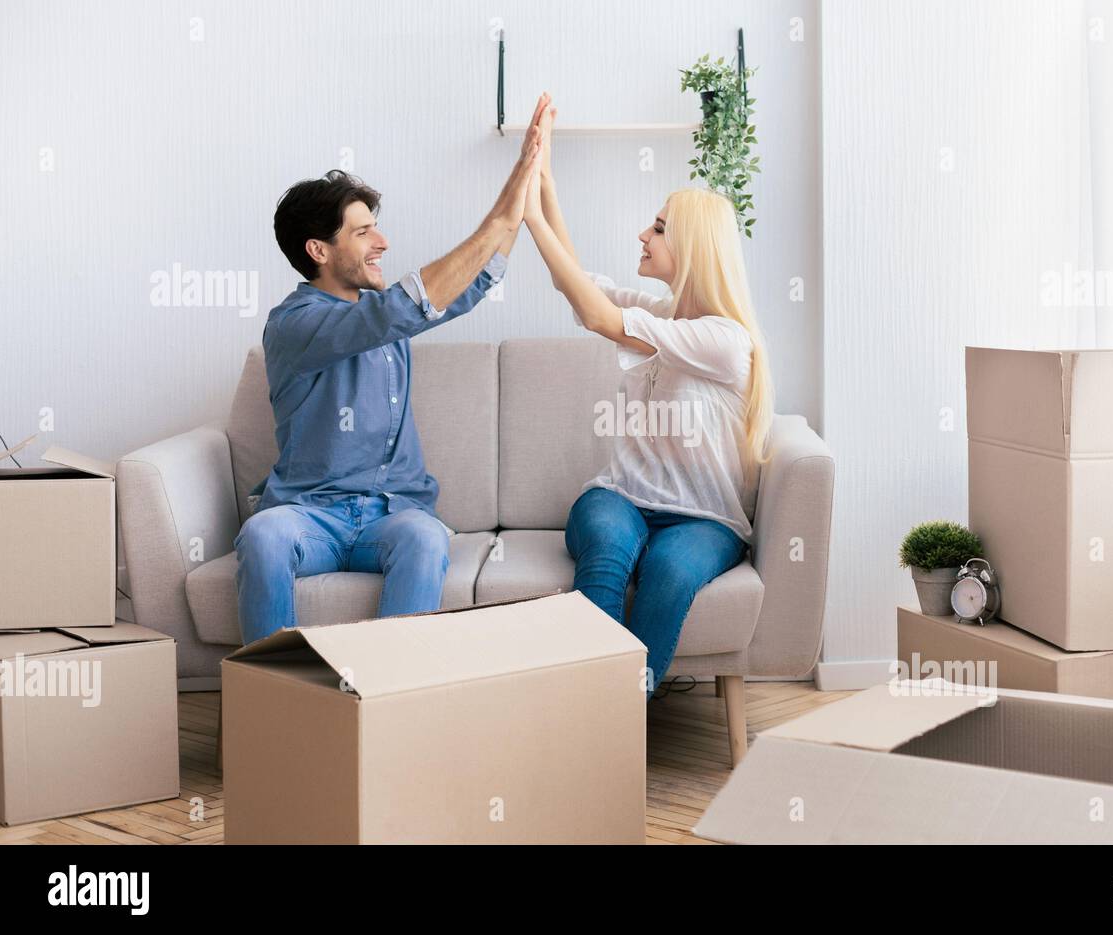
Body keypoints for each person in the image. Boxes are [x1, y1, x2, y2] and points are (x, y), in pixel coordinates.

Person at [234, 99, 549, 644]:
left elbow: (473, 281)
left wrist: (520, 185)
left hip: (394, 514)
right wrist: (498, 217)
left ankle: (390, 686)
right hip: (311, 513)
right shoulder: (295, 324)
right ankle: (269, 686)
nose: (382, 243)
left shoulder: (382, 315)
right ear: (319, 250)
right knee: (263, 535)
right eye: (363, 233)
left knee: (425, 539)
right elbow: (396, 311)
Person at [522, 95, 774, 699]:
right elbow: (578, 285)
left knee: (667, 571)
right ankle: (587, 712)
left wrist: (527, 217)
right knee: (607, 547)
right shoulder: (663, 313)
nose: (643, 233)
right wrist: (544, 177)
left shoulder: (723, 340)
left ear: (692, 248)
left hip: (704, 519)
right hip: (621, 498)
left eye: (658, 228)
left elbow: (598, 317)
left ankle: (619, 715)